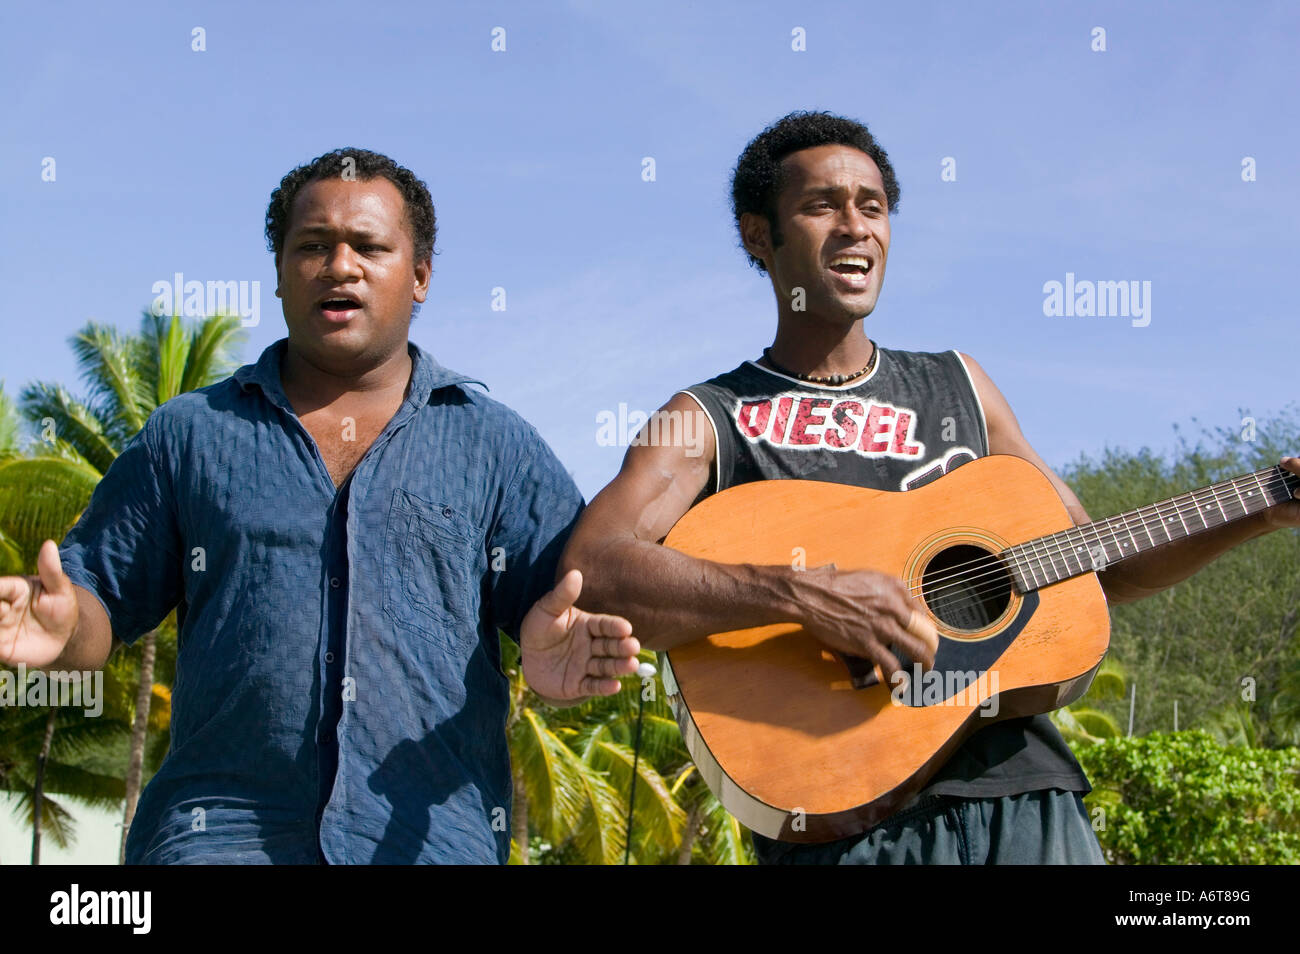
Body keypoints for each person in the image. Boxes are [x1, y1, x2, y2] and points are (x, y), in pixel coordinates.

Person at [553, 111, 1300, 864]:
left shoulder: (962, 386)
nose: (856, 227)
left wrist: (1264, 508)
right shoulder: (709, 418)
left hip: (1027, 801)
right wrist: (801, 594)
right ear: (758, 235)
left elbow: (1100, 565)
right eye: (822, 206)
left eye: (873, 206)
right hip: (846, 816)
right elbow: (596, 571)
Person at [0, 148, 638, 864]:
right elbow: (98, 607)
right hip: (215, 843)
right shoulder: (188, 435)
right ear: (278, 273)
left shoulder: (497, 445)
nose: (340, 265)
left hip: (428, 845)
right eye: (312, 246)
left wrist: (557, 668)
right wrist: (60, 635)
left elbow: (567, 609)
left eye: (369, 246)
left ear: (420, 274)